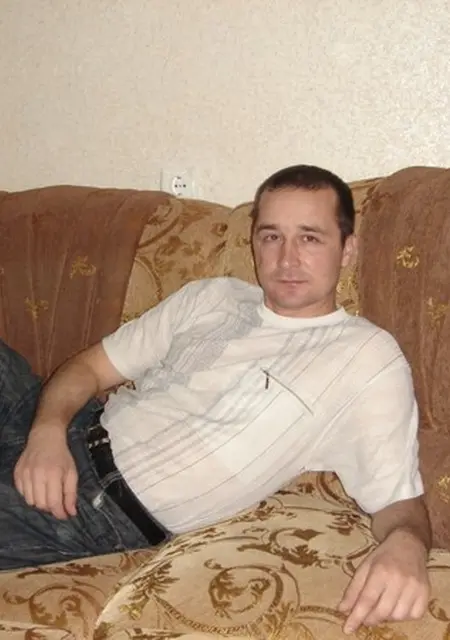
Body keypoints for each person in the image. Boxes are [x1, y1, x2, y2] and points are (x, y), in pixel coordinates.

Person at [0, 164, 430, 634]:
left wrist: (408, 546)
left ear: (347, 249)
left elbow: (399, 500)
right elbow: (88, 368)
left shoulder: (365, 357)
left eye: (310, 238)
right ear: (254, 242)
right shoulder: (211, 297)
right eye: (271, 237)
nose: (287, 259)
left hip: (95, 509)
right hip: (63, 425)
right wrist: (48, 432)